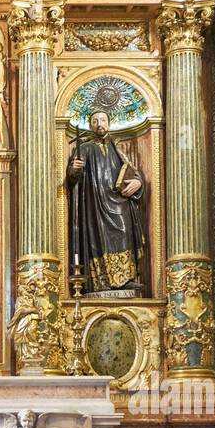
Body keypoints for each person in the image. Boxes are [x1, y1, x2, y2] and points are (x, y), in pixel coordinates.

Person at [67, 109, 145, 293]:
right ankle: (101, 282)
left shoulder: (117, 147)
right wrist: (74, 169)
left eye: (103, 119)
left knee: (124, 233)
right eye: (95, 120)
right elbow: (72, 179)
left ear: (109, 123)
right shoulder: (84, 148)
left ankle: (126, 279)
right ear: (90, 125)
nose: (99, 123)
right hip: (95, 204)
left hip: (120, 201)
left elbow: (133, 171)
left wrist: (137, 182)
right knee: (98, 239)